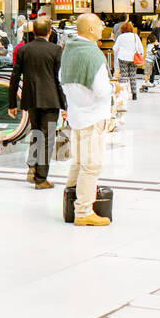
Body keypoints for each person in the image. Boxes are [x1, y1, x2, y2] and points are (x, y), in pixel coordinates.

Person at [59, 13, 118, 226]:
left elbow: (61, 78)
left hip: (76, 115)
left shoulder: (69, 51)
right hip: (93, 116)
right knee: (92, 164)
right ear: (91, 29)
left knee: (78, 163)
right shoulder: (93, 55)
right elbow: (102, 90)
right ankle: (83, 211)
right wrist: (114, 87)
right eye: (100, 25)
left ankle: (70, 206)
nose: (103, 28)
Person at [6, 17, 66, 190]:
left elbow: (15, 76)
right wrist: (64, 105)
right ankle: (41, 178)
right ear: (49, 32)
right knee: (47, 138)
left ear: (33, 32)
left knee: (36, 132)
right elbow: (58, 79)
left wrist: (12, 103)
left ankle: (32, 167)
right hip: (51, 99)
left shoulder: (24, 50)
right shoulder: (56, 50)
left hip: (30, 98)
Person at [112, 22, 143, 100]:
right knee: (133, 76)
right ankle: (134, 94)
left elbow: (115, 48)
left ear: (122, 29)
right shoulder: (135, 36)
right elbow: (140, 48)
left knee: (124, 76)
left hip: (122, 57)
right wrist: (140, 54)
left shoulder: (120, 37)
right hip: (133, 58)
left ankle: (124, 93)